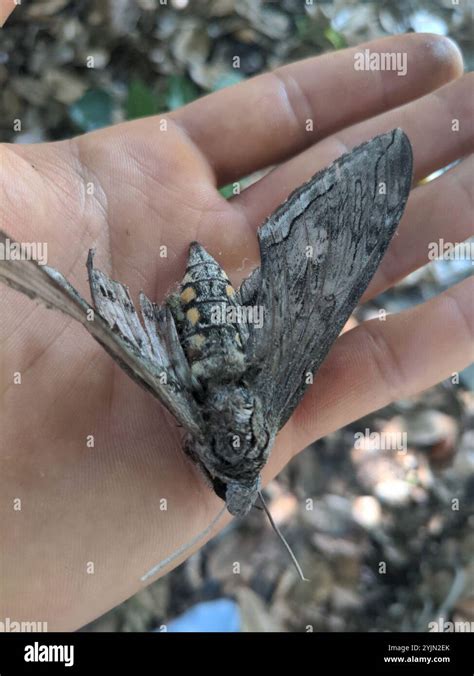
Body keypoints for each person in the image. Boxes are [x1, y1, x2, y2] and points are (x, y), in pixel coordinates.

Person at [0, 14, 472, 630]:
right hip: (200, 326)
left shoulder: (268, 407)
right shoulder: (251, 411)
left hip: (204, 325)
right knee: (330, 289)